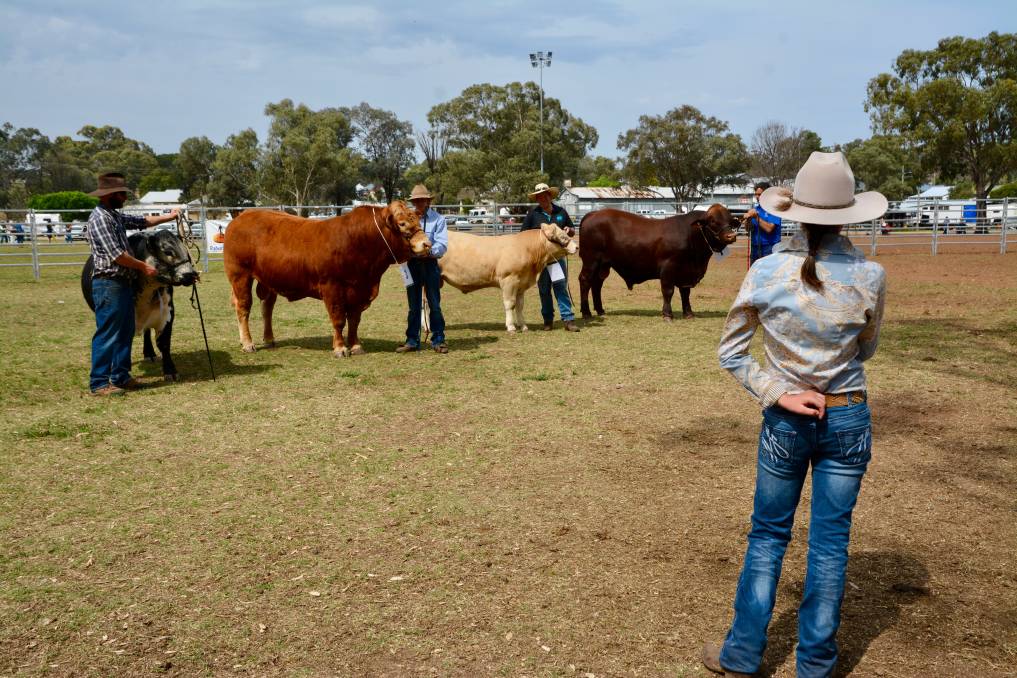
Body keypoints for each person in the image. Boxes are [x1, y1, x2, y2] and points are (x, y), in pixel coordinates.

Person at [704, 152, 887, 678]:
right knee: (831, 541)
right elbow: (867, 350)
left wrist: (777, 391)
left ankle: (741, 654)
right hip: (848, 416)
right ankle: (817, 663)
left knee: (768, 534)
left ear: (796, 212)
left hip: (788, 419)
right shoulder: (872, 275)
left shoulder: (766, 270)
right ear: (850, 214)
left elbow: (731, 353)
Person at [85, 172, 179, 396]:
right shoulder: (100, 219)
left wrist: (169, 217)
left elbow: (142, 221)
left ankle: (121, 376)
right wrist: (143, 267)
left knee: (125, 331)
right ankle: (99, 382)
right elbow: (117, 255)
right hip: (108, 283)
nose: (124, 198)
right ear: (109, 195)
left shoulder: (114, 215)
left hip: (122, 283)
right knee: (108, 332)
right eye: (121, 194)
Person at [395, 184, 449, 354]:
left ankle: (438, 340)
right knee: (413, 306)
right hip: (410, 265)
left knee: (435, 304)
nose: (419, 203)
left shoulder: (438, 219)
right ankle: (412, 341)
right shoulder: (406, 219)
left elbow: (442, 245)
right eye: (416, 200)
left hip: (430, 263)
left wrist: (429, 251)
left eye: (422, 200)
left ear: (427, 201)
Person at [520, 183, 579, 332]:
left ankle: (568, 319)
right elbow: (522, 235)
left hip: (556, 258)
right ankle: (548, 320)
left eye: (544, 195)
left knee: (560, 287)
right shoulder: (533, 214)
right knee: (544, 289)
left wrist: (569, 230)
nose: (542, 198)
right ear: (537, 199)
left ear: (549, 196)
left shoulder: (561, 212)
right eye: (539, 196)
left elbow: (571, 230)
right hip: (540, 261)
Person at [745, 181, 782, 265]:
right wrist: (748, 220)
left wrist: (756, 217)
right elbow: (748, 229)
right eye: (756, 194)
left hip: (770, 247)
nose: (757, 197)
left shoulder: (774, 209)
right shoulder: (756, 209)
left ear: (767, 195)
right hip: (755, 247)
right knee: (754, 275)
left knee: (770, 275)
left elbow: (769, 229)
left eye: (760, 194)